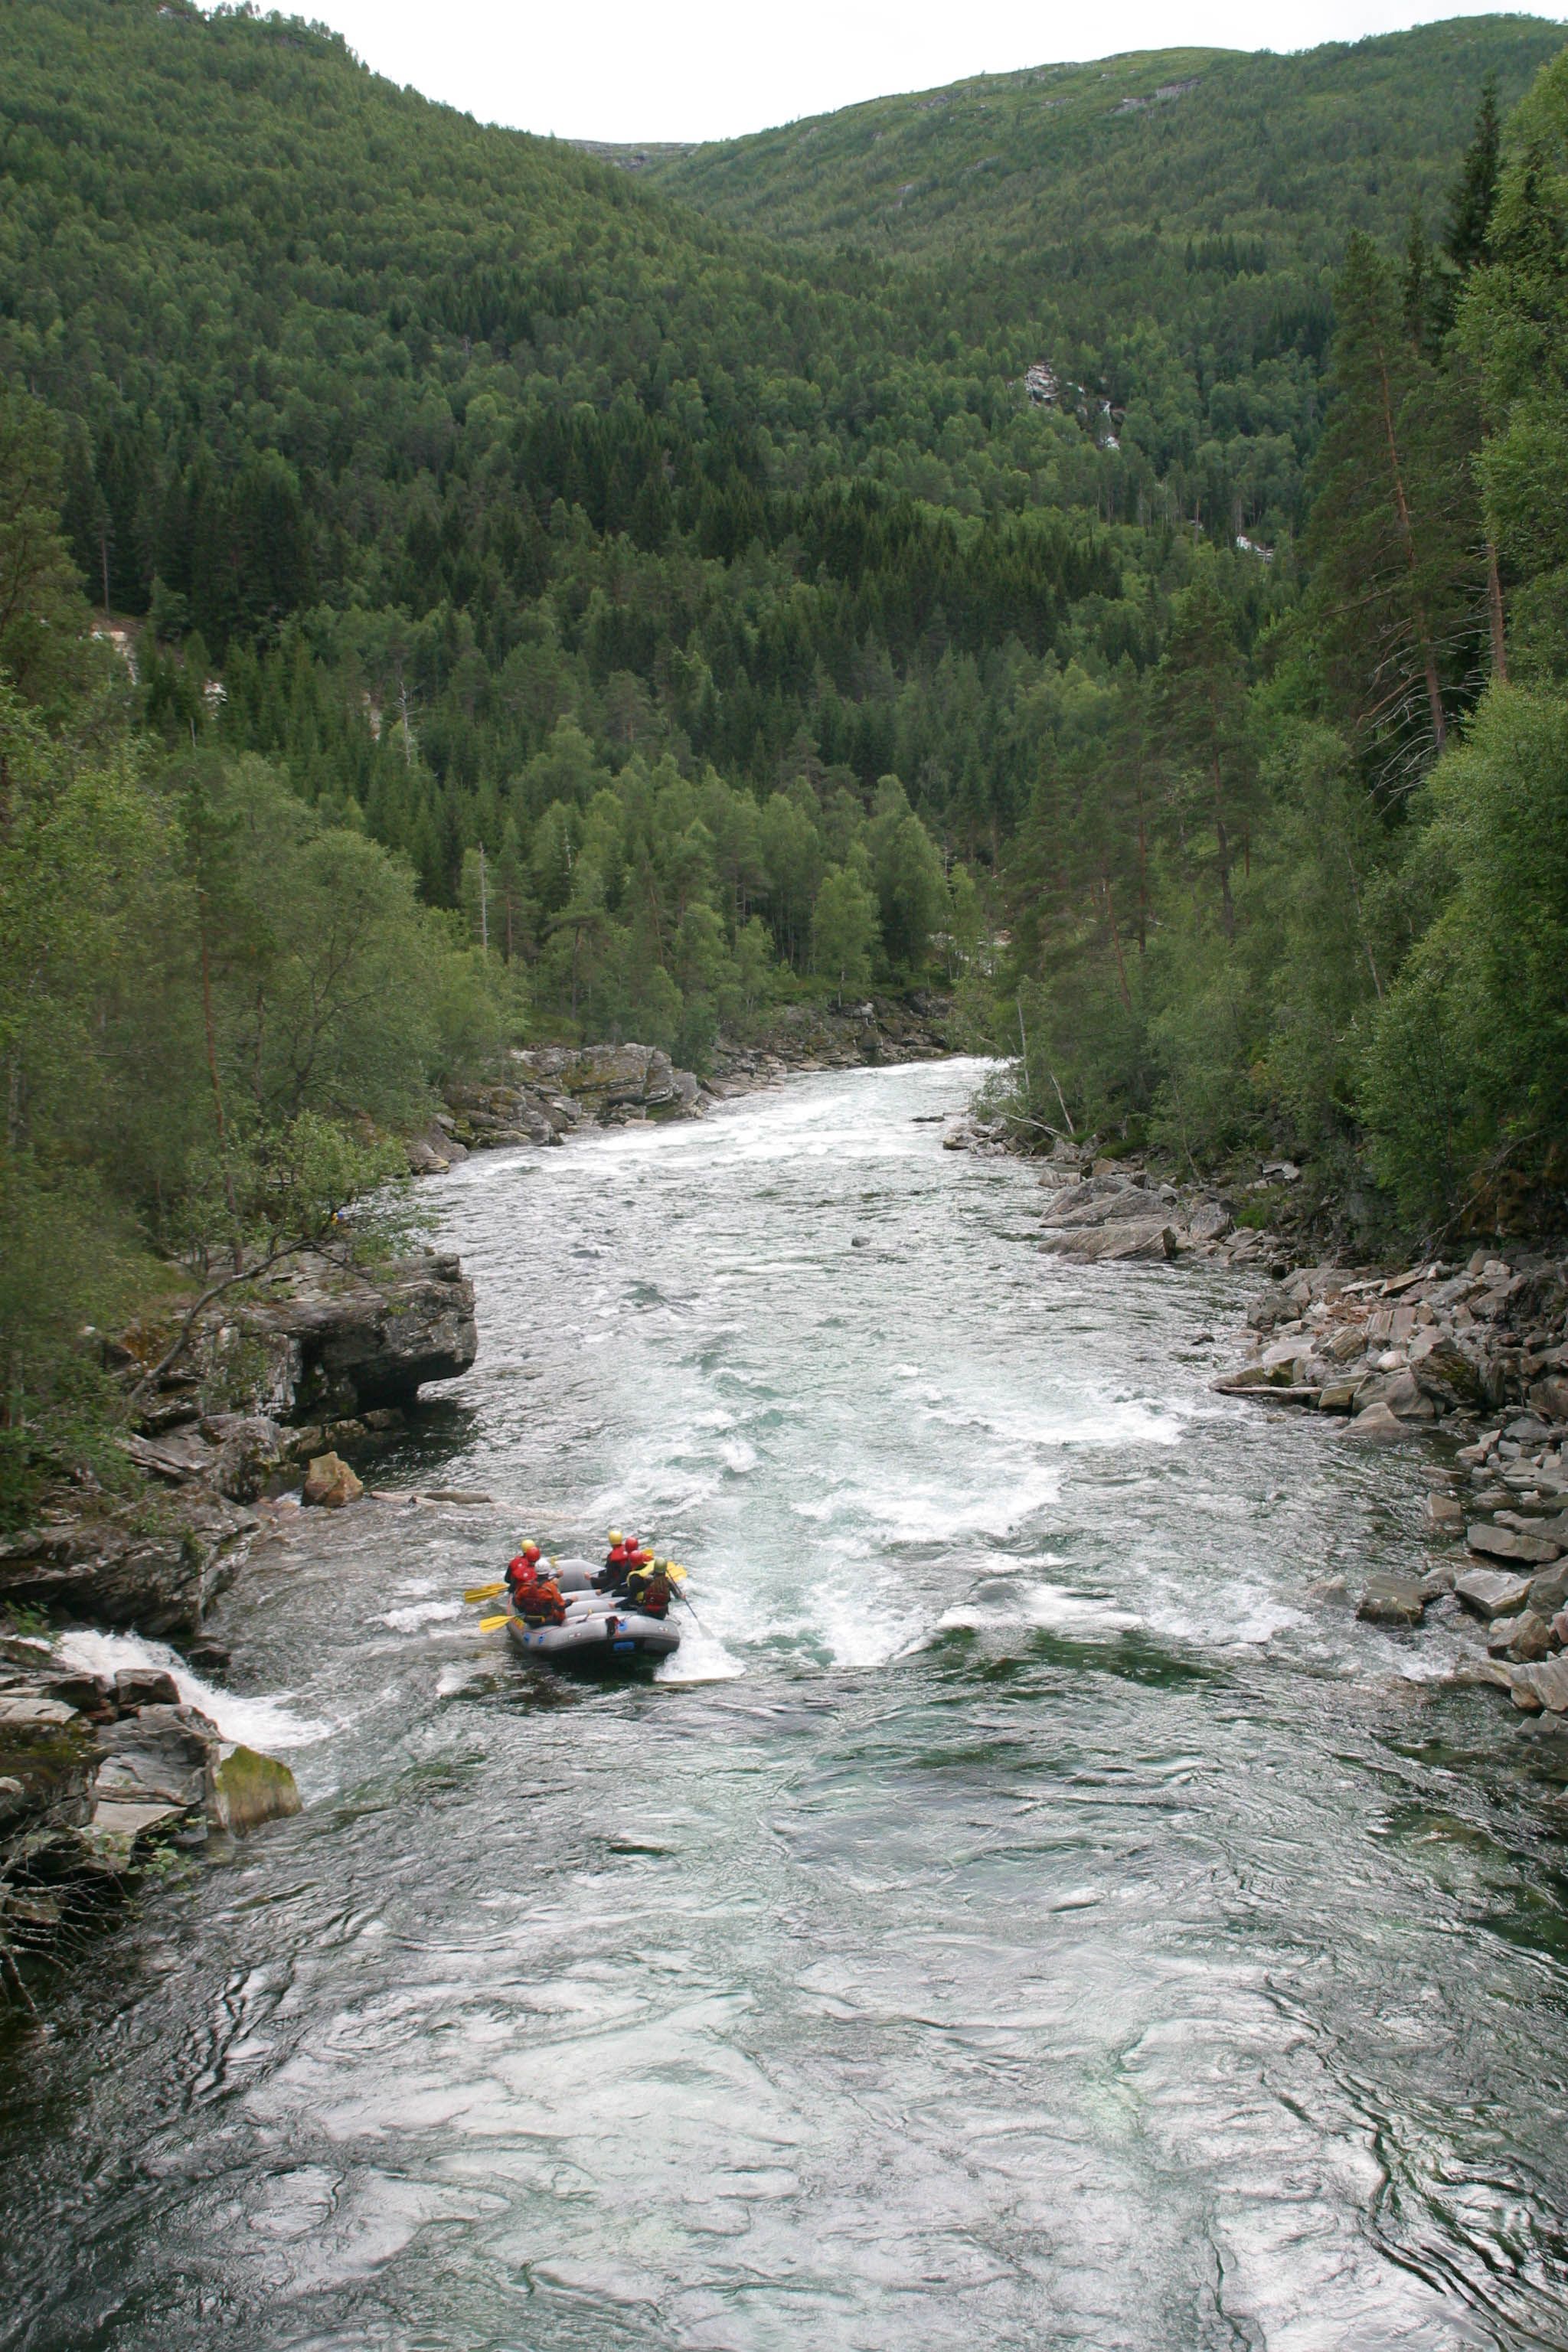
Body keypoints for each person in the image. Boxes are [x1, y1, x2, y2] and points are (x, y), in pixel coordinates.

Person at [511, 1559, 566, 1628]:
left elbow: (517, 1603)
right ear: (549, 1571)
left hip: (530, 1620)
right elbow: (561, 1606)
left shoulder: (525, 1586)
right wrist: (571, 1600)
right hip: (547, 1621)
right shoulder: (551, 1587)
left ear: (535, 1571)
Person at [505, 1541, 542, 1606]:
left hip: (521, 1599)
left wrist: (511, 1589)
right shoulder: (542, 1568)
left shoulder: (517, 1567)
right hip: (538, 1600)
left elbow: (507, 1580)